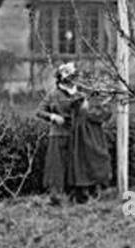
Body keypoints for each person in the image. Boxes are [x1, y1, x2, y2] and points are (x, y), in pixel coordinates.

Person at [35, 62, 80, 205]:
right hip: (57, 135)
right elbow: (39, 111)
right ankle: (56, 196)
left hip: (76, 135)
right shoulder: (53, 94)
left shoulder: (79, 93)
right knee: (56, 167)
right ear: (62, 79)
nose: (72, 80)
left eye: (74, 77)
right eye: (69, 77)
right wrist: (53, 117)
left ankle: (74, 195)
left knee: (75, 165)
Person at [68, 80, 113, 202]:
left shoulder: (88, 101)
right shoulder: (82, 102)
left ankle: (89, 190)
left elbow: (103, 114)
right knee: (89, 161)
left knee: (90, 161)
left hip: (89, 135)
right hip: (86, 136)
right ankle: (86, 192)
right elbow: (99, 114)